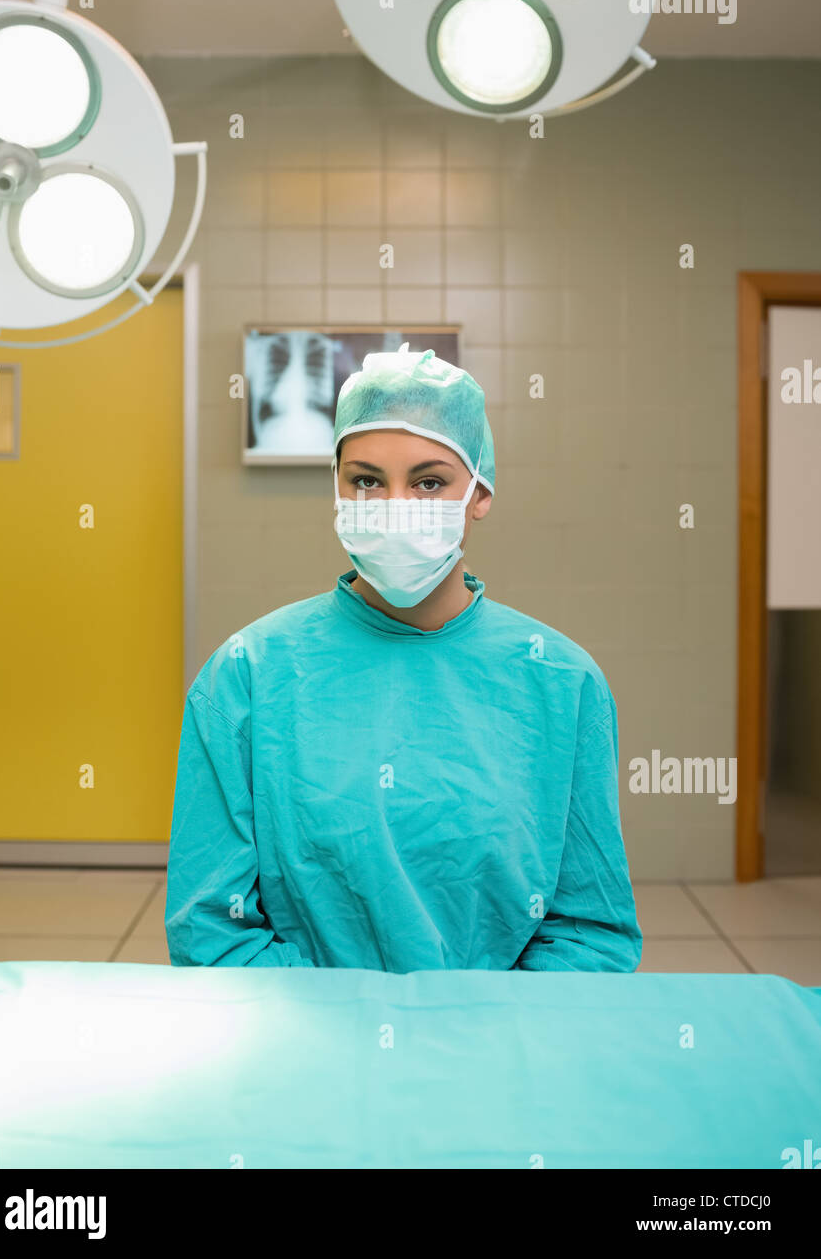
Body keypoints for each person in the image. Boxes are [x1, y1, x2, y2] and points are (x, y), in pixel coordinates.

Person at [165, 343, 642, 972]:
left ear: (480, 492)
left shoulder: (559, 681)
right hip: (308, 1042)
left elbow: (588, 932)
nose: (396, 505)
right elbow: (213, 928)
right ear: (335, 491)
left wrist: (486, 1036)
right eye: (366, 480)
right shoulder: (249, 673)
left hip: (495, 1042)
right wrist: (340, 1039)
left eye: (429, 481)